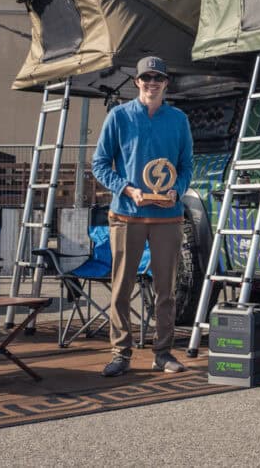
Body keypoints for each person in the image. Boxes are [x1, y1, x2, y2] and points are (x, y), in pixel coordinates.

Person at [92, 55, 193, 377]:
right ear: (137, 82)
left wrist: (177, 189)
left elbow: (187, 165)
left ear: (166, 83)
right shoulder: (119, 116)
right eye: (146, 78)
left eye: (158, 78)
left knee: (167, 291)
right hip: (127, 216)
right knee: (121, 288)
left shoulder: (178, 119)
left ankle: (162, 353)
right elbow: (99, 164)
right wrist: (126, 189)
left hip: (168, 218)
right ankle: (120, 354)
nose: (152, 83)